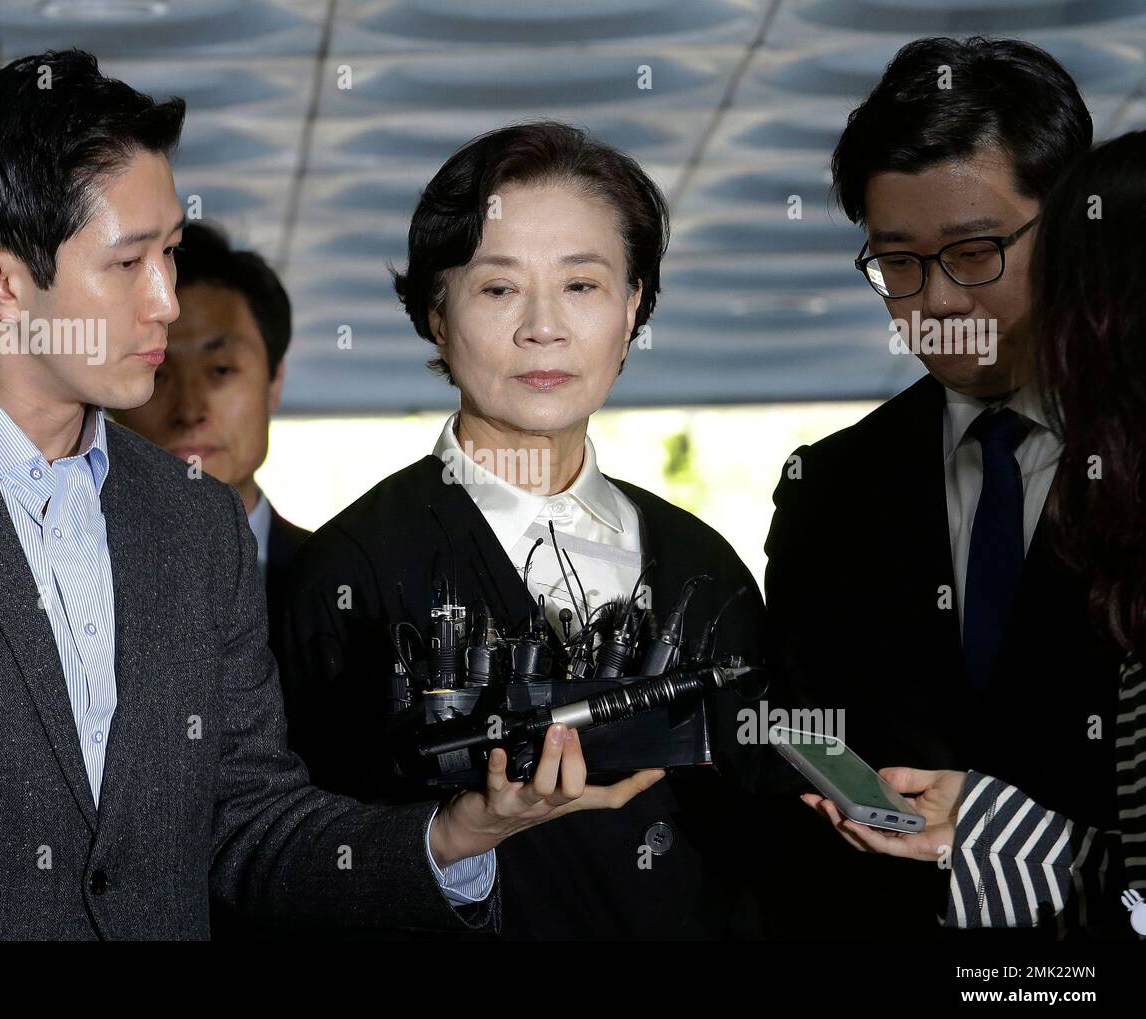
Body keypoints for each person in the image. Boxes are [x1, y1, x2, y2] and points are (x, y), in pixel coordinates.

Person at [0, 50, 658, 940]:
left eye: (171, 253)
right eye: (127, 266)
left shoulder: (193, 520)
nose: (165, 300)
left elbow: (252, 825)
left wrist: (457, 836)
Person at [273, 121, 767, 940]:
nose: (545, 328)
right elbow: (288, 861)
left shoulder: (701, 567)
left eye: (582, 286)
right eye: (498, 289)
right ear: (436, 311)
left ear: (634, 304)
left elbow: (757, 846)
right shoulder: (351, 573)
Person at [761, 36, 1122, 938]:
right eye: (900, 265)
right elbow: (803, 740)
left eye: (975, 253)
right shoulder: (831, 490)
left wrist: (1005, 834)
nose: (940, 305)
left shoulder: (1135, 448)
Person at [114, 222, 308, 629]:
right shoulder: (68, 584)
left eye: (220, 370)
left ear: (274, 383)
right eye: (158, 373)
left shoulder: (343, 578)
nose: (190, 409)